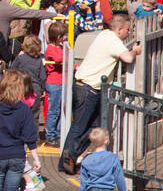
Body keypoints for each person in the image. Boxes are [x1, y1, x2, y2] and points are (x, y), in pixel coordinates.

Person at [60, 13, 141, 174]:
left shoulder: (104, 34)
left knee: (94, 126)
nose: (128, 33)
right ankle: (65, 161)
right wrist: (135, 51)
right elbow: (127, 58)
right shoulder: (113, 40)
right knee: (80, 126)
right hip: (88, 89)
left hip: (88, 87)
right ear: (119, 30)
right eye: (126, 29)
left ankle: (72, 155)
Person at [10, 34, 47, 136]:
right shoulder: (39, 60)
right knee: (34, 115)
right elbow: (42, 76)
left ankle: (17, 134)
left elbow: (12, 70)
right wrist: (43, 89)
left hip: (20, 88)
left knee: (18, 113)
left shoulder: (20, 58)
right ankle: (33, 137)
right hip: (35, 90)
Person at [42, 21, 66, 147]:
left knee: (61, 109)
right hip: (54, 83)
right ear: (58, 37)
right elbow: (59, 59)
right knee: (54, 110)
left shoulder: (61, 47)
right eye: (64, 36)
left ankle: (57, 133)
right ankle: (50, 135)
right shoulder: (51, 49)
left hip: (62, 81)